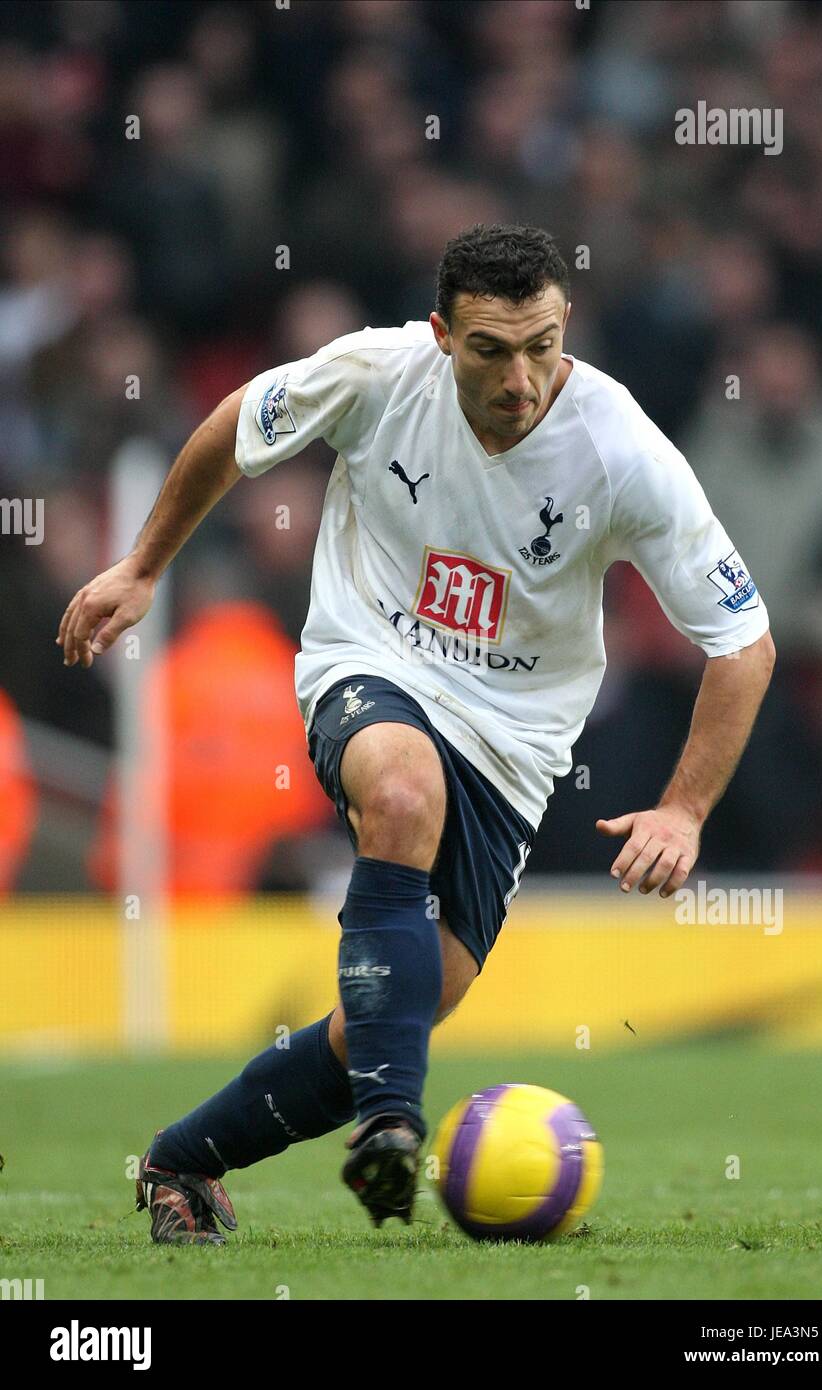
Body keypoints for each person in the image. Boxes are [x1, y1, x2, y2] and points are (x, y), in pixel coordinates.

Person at [57, 224, 775, 1244]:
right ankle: (391, 1120)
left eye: (541, 345)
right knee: (400, 791)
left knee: (400, 1003)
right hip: (369, 661)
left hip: (513, 746)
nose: (520, 377)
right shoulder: (374, 374)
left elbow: (740, 641)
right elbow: (234, 424)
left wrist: (684, 805)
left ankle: (184, 1158)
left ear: (563, 326)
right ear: (441, 335)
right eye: (490, 349)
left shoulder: (621, 450)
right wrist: (142, 567)